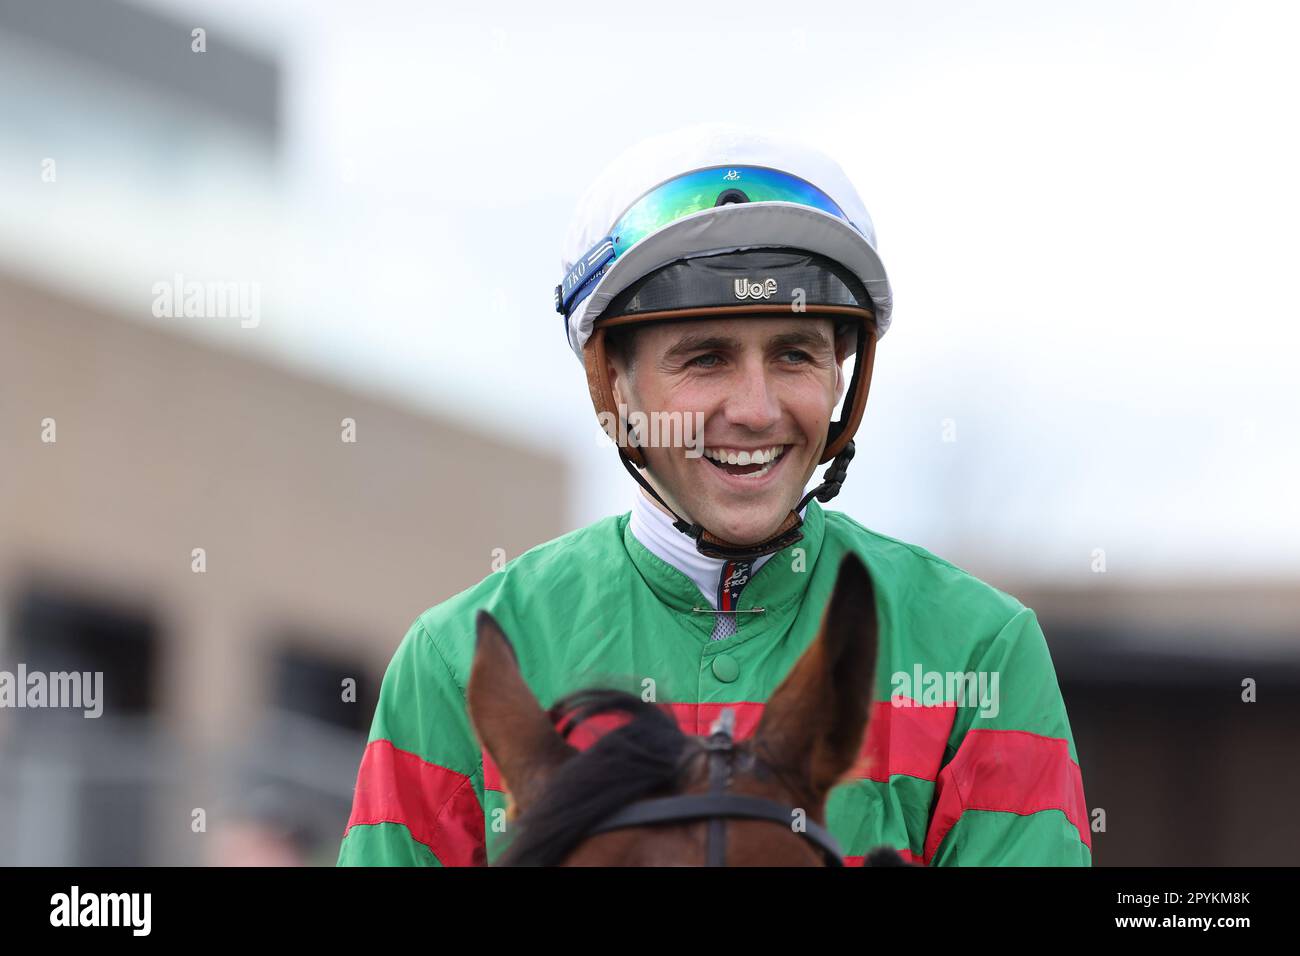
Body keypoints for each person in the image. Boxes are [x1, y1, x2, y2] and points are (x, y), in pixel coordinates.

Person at [337, 122, 1091, 866]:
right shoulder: (447, 660)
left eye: (795, 354)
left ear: (838, 375)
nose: (757, 409)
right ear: (618, 385)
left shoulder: (980, 651)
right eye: (705, 359)